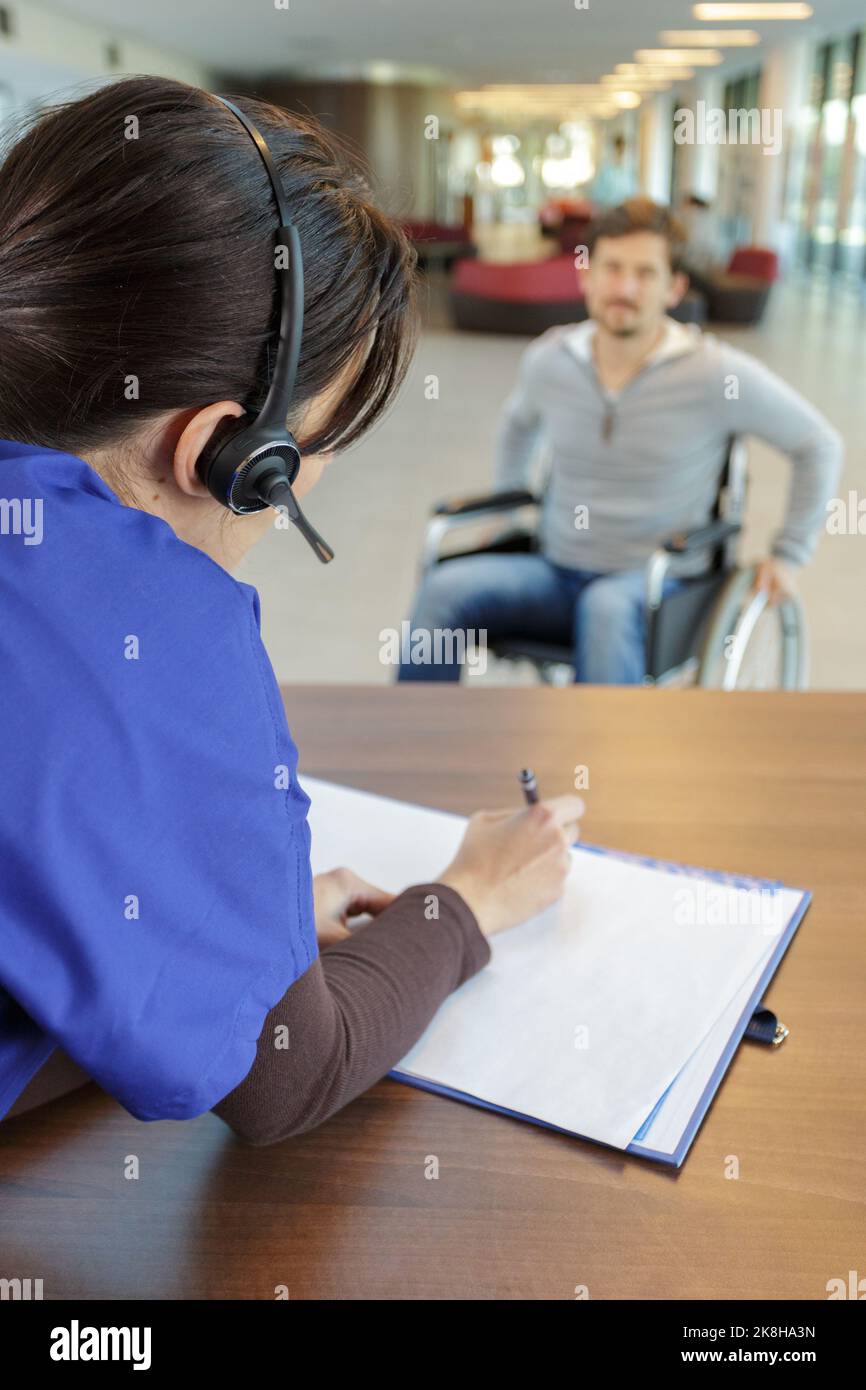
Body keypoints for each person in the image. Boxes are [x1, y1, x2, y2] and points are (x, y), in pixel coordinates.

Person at [0, 76, 583, 1140]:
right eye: (318, 443)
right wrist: (465, 900)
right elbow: (290, 1077)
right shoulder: (148, 635)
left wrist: (199, 948)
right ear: (226, 452)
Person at [397, 197, 843, 684]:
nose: (625, 288)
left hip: (659, 587)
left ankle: (603, 740)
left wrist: (788, 554)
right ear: (586, 275)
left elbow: (818, 444)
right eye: (611, 268)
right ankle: (417, 731)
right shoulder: (551, 359)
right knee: (443, 590)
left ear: (674, 288)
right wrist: (507, 513)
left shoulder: (716, 373)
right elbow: (517, 424)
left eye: (645, 274)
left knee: (605, 607)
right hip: (557, 570)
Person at [588, 134, 637, 209]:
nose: (622, 154)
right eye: (619, 150)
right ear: (614, 150)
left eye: (624, 151)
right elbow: (596, 195)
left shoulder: (629, 172)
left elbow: (633, 194)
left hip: (625, 211)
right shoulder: (605, 170)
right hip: (609, 210)